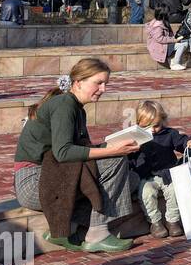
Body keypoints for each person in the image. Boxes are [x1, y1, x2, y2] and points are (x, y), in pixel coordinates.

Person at [12, 58, 143, 252]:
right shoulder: (64, 105)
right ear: (78, 82)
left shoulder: (76, 108)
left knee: (130, 180)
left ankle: (67, 226)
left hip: (54, 176)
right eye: (98, 83)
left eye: (106, 83)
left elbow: (76, 152)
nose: (104, 89)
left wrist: (111, 144)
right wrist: (111, 150)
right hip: (33, 184)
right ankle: (96, 233)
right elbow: (64, 152)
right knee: (116, 161)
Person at [131, 100, 191, 239]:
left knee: (173, 191)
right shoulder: (136, 138)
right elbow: (130, 158)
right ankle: (155, 222)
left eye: (156, 126)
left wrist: (188, 142)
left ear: (163, 120)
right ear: (138, 124)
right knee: (147, 192)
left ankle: (173, 221)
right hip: (146, 176)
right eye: (146, 127)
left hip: (167, 174)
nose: (152, 130)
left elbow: (181, 141)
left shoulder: (169, 134)